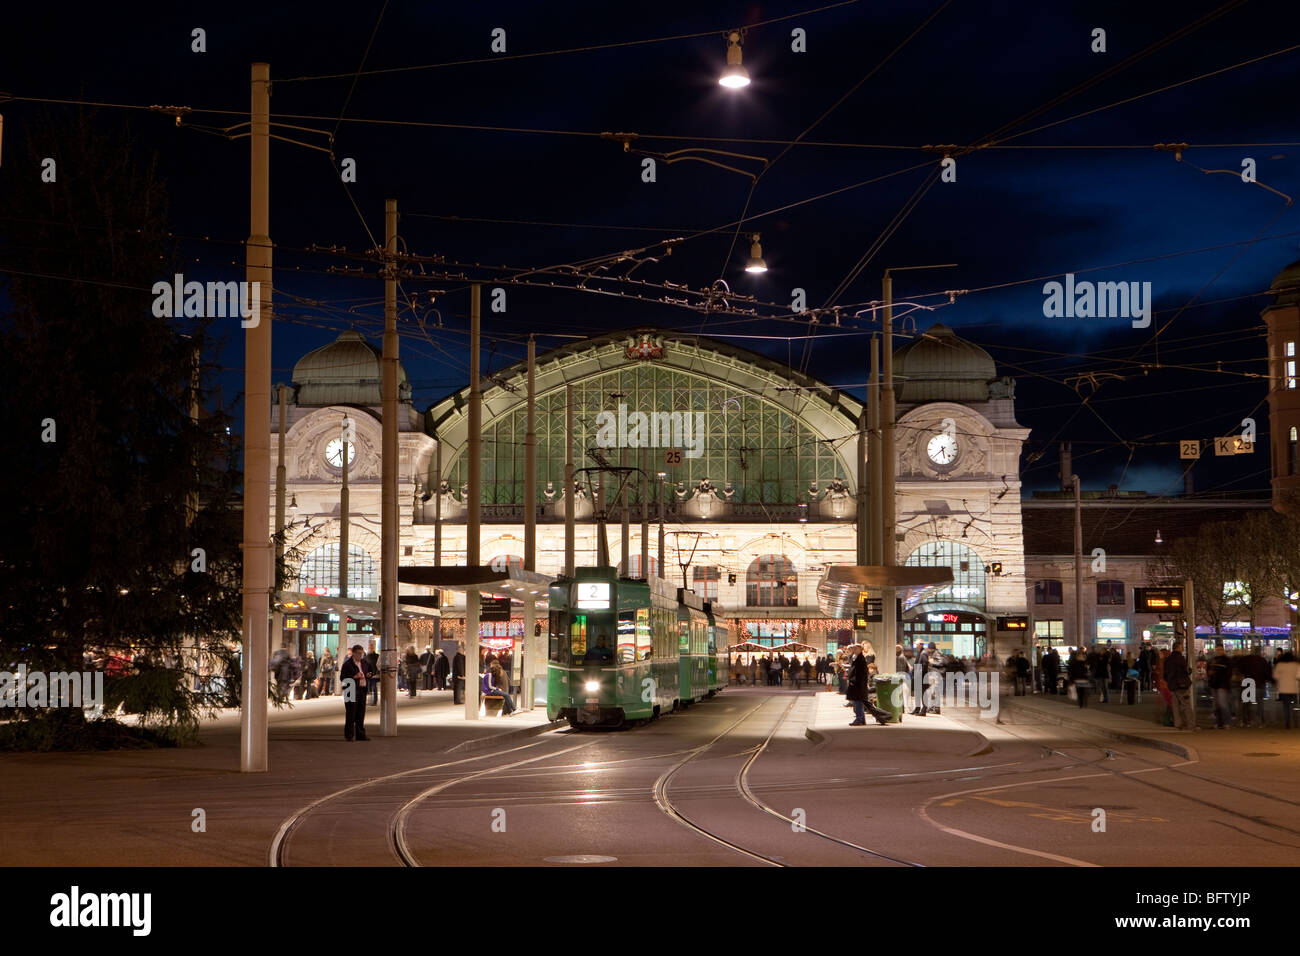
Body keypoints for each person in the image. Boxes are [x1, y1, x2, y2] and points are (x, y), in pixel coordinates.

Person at [845, 644, 890, 726]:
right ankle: (862, 719)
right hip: (858, 685)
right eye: (853, 648)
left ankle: (860, 719)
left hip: (858, 685)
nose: (854, 650)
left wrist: (853, 681)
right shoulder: (858, 658)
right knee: (862, 703)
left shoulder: (861, 659)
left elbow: (860, 674)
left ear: (860, 649)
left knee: (858, 702)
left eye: (855, 648)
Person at [340, 644, 370, 741]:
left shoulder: (364, 663)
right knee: (351, 713)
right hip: (350, 690)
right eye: (358, 653)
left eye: (361, 653)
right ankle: (349, 735)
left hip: (362, 689)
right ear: (353, 653)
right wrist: (354, 677)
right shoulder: (347, 664)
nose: (360, 655)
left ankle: (360, 734)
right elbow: (342, 678)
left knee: (361, 713)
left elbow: (370, 670)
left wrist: (369, 674)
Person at [1164, 639, 1195, 731]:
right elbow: (1186, 670)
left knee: (1175, 705)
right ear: (1178, 648)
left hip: (1172, 685)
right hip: (1182, 685)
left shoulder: (1168, 659)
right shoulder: (1180, 658)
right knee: (1186, 705)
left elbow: (1165, 674)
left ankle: (1178, 724)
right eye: (1181, 647)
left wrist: (1169, 681)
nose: (1182, 649)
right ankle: (1191, 725)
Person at [1237, 645, 1271, 727]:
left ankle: (1245, 721)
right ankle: (1260, 721)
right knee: (1260, 703)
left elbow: (1239, 669)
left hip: (1247, 683)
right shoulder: (1262, 661)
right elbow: (1267, 672)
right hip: (1259, 683)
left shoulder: (1245, 659)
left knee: (1246, 703)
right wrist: (1267, 679)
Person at [1207, 642, 1233, 729]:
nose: (1218, 651)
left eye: (1220, 650)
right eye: (1217, 650)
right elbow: (1209, 671)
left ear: (1223, 650)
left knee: (1222, 704)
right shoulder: (1213, 660)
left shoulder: (1226, 660)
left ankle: (1227, 722)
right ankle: (1219, 722)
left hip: (1222, 685)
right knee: (1216, 705)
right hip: (1215, 684)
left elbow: (1228, 673)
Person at [1273, 651, 1299, 729]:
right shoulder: (1296, 665)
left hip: (1284, 688)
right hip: (1294, 688)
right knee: (1294, 706)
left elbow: (1275, 676)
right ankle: (1296, 722)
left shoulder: (1280, 665)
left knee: (1286, 706)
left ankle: (1287, 722)